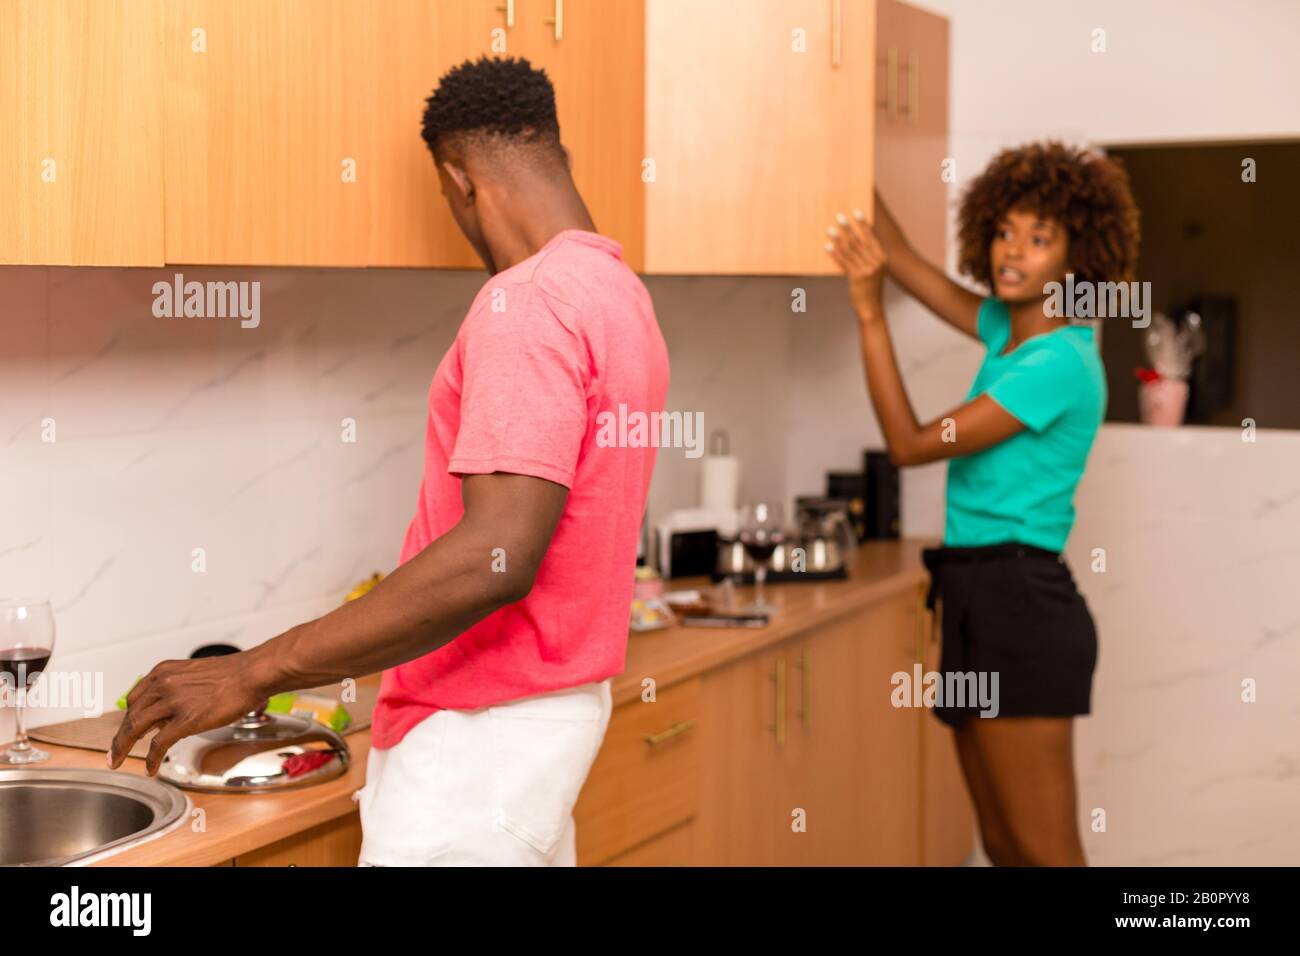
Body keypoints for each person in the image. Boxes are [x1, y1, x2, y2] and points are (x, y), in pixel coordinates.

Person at [109, 56, 671, 867]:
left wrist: (254, 671)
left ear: (460, 179)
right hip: (542, 733)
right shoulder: (619, 294)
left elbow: (495, 556)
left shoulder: (529, 303)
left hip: (473, 749)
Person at [825, 141, 1139, 866]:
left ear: (1076, 256)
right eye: (1005, 231)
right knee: (1000, 845)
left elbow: (907, 444)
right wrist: (834, 128)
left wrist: (870, 315)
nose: (1013, 251)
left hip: (1021, 607)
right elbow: (900, 252)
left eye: (1039, 238)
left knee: (1046, 852)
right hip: (974, 594)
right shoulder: (1008, 328)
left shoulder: (1057, 360)